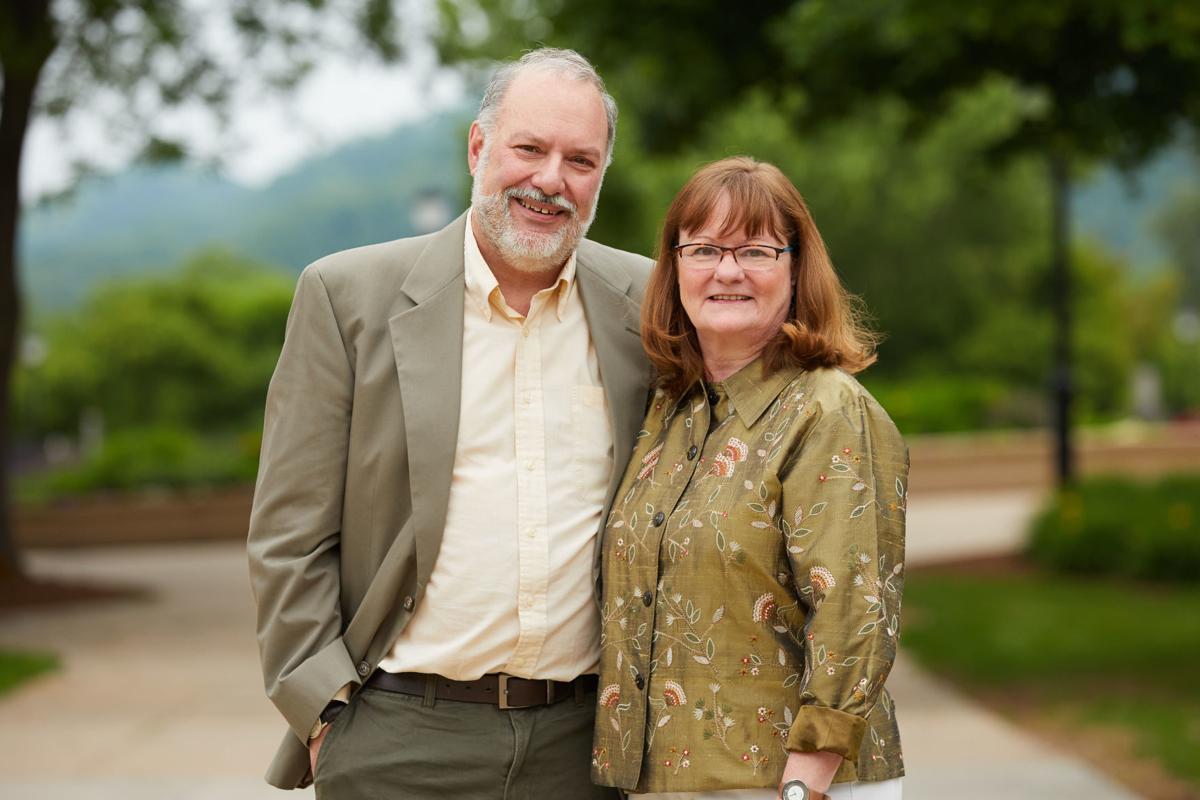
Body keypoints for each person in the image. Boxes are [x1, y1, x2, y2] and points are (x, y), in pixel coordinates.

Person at [247, 48, 652, 797]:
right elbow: (289, 531)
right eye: (529, 148)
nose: (551, 180)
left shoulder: (646, 300)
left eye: (580, 160)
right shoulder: (346, 296)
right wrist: (323, 708)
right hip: (397, 739)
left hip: (585, 748)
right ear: (477, 147)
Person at [590, 157, 907, 800]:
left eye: (756, 251)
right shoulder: (667, 411)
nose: (727, 271)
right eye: (704, 249)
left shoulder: (827, 410)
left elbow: (855, 607)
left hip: (789, 781)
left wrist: (805, 783)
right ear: (675, 266)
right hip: (663, 780)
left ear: (796, 268)